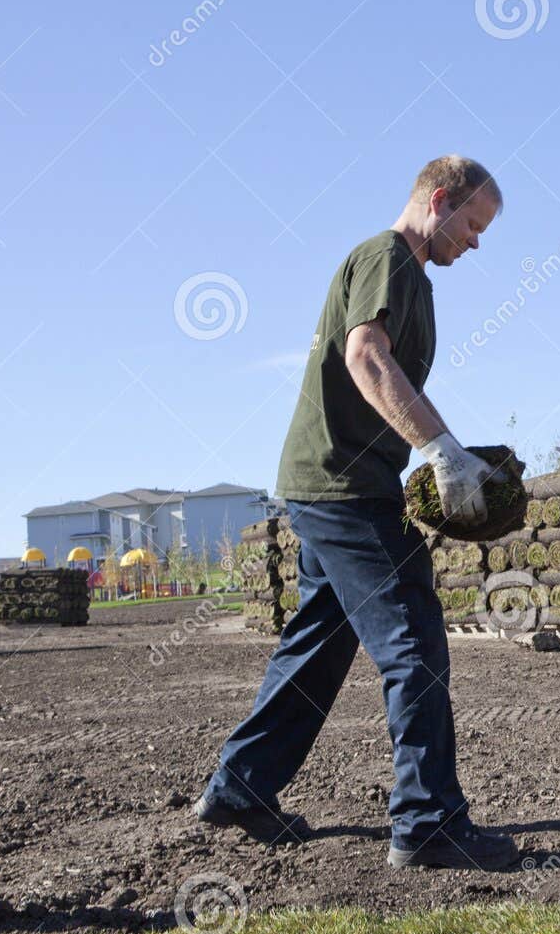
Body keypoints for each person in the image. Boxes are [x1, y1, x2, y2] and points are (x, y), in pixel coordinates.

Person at [196, 155, 515, 870]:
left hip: (328, 480)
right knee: (415, 641)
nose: (475, 241)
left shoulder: (408, 276)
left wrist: (446, 451)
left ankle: (241, 785)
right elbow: (366, 357)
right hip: (345, 487)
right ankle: (427, 823)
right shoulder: (388, 259)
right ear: (438, 201)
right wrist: (441, 449)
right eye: (472, 223)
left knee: (320, 642)